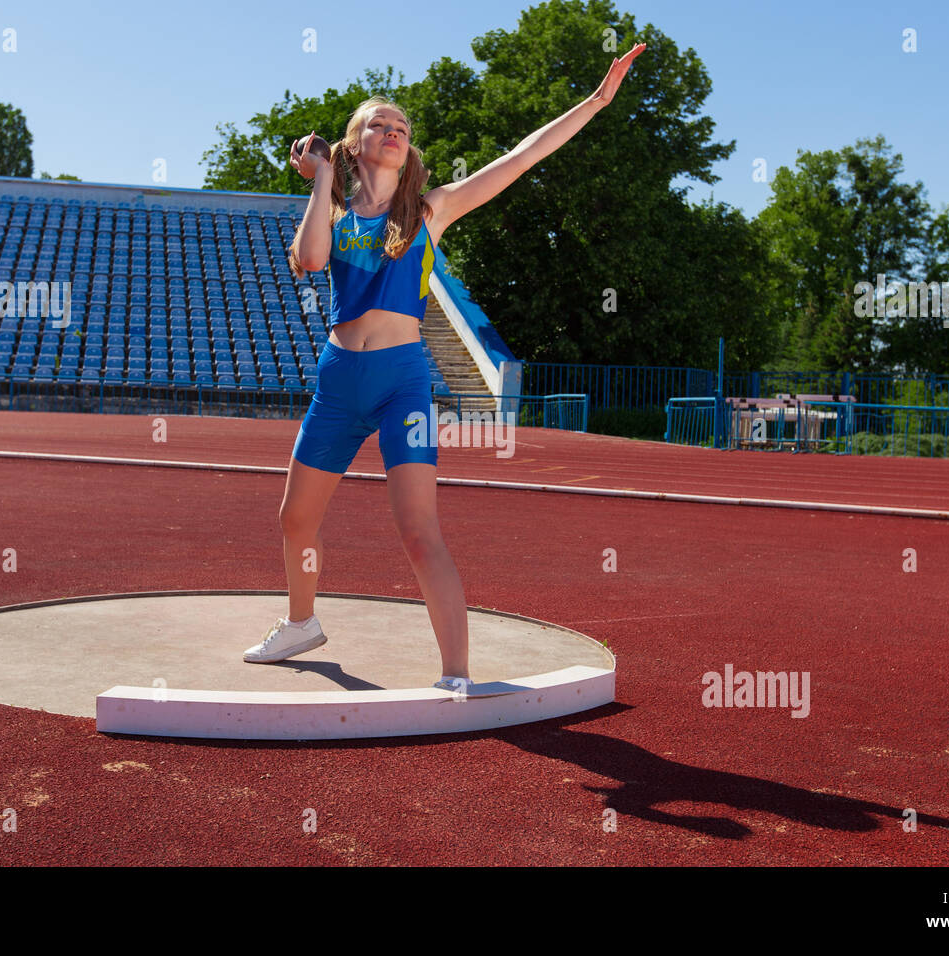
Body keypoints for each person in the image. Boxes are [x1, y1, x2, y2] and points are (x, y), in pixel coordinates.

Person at [243, 44, 647, 692]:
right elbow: (310, 259)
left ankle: (455, 673)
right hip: (338, 381)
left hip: (402, 380)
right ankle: (301, 623)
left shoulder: (429, 212)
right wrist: (320, 180)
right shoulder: (340, 214)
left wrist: (597, 101)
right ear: (354, 144)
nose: (394, 131)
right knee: (295, 519)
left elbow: (520, 158)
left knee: (419, 530)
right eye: (380, 123)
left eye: (402, 127)